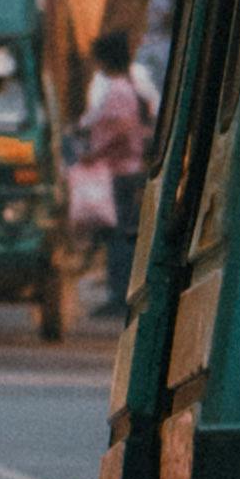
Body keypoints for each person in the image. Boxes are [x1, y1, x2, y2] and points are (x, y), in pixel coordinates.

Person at [73, 25, 151, 319]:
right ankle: (119, 292)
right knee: (119, 233)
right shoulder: (126, 87)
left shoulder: (118, 91)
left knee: (118, 235)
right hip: (123, 169)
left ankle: (120, 296)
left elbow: (120, 128)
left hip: (120, 171)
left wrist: (96, 152)